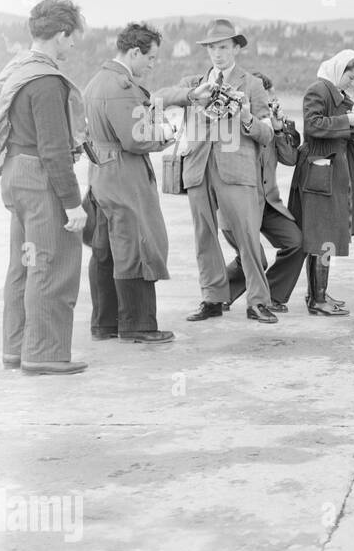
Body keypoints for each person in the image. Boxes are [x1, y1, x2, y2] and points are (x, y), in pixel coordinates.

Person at [154, 19, 277, 324]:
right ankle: (213, 298)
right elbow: (159, 97)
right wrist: (194, 93)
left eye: (223, 47)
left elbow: (267, 134)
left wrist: (248, 119)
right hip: (198, 168)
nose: (217, 54)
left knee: (247, 237)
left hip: (237, 171)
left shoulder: (252, 84)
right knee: (203, 236)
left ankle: (258, 301)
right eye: (212, 48)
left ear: (236, 48)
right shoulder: (193, 82)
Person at [0, 0, 89, 374]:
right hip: (39, 178)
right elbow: (54, 150)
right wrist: (73, 202)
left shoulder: (17, 70)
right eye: (72, 37)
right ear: (61, 34)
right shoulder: (47, 81)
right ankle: (45, 354)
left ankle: (16, 349)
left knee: (25, 263)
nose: (73, 44)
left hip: (15, 174)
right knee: (52, 264)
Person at [82, 22, 174, 345]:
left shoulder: (97, 81)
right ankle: (138, 326)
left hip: (102, 175)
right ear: (134, 52)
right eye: (150, 58)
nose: (152, 64)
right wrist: (165, 135)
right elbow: (135, 140)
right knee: (136, 244)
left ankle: (105, 323)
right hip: (124, 175)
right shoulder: (121, 86)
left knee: (105, 249)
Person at [291, 51, 354, 314]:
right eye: (351, 77)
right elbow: (313, 125)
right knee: (324, 236)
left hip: (328, 172)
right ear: (340, 70)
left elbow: (326, 127)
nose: (353, 83)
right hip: (322, 174)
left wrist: (351, 126)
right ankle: (317, 300)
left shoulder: (332, 93)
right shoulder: (318, 90)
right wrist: (347, 121)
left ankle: (317, 295)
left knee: (325, 236)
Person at [220, 71, 305, 314]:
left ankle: (273, 295)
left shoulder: (275, 125)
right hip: (238, 204)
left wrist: (279, 130)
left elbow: (291, 159)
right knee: (255, 257)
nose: (270, 107)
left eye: (272, 101)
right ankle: (219, 294)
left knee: (296, 242)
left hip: (268, 202)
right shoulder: (232, 123)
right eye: (265, 103)